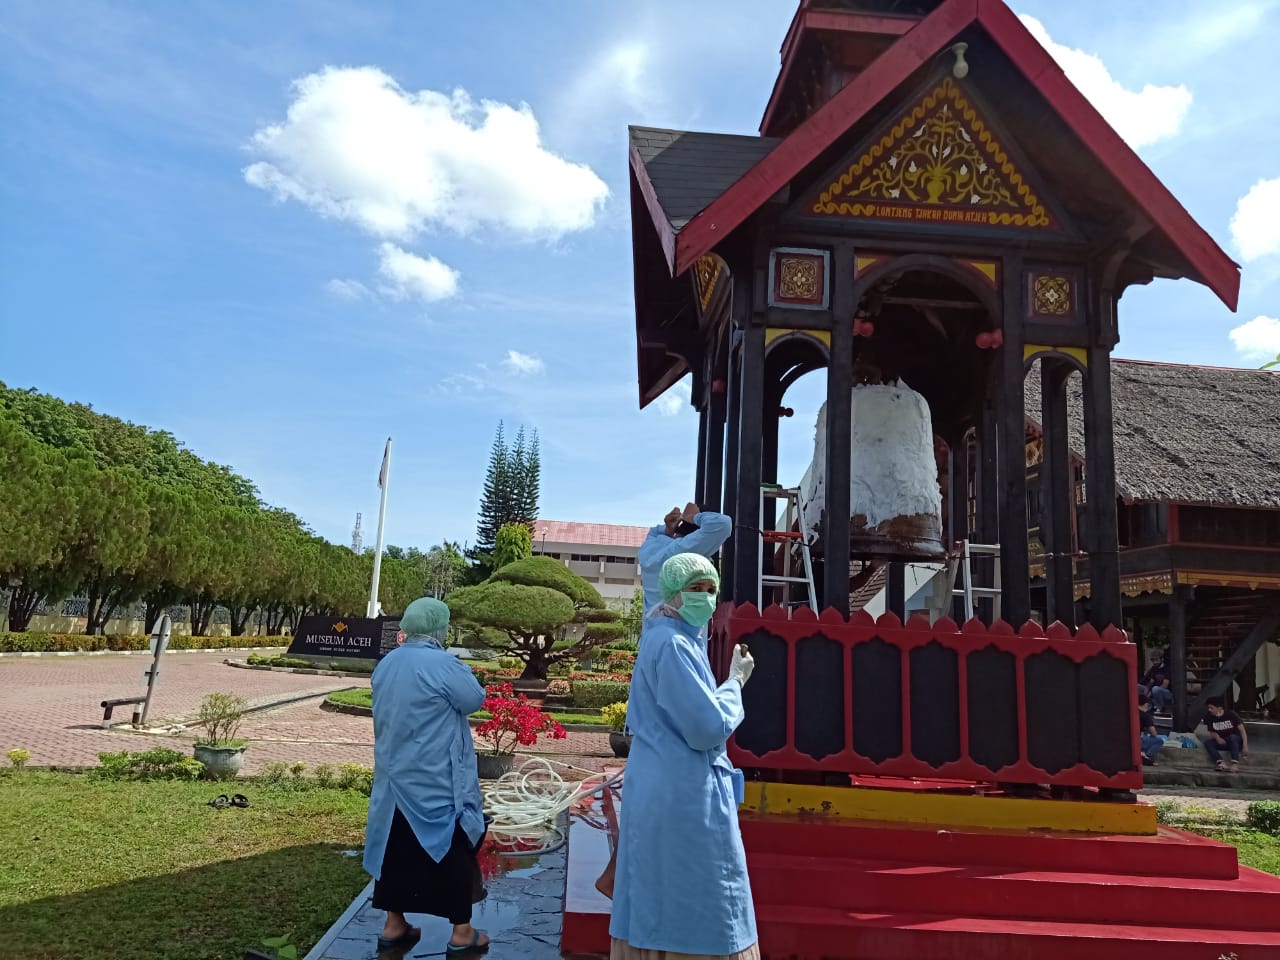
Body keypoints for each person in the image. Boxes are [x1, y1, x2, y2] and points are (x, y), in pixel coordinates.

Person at [610, 553, 760, 960]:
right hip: (684, 791)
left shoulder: (666, 638)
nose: (707, 598)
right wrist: (735, 684)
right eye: (697, 589)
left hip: (660, 782)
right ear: (674, 593)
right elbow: (706, 727)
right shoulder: (674, 645)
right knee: (701, 897)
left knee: (655, 891)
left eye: (712, 589)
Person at [363, 597, 491, 955]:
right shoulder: (443, 664)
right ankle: (462, 933)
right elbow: (474, 699)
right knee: (451, 848)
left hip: (393, 777)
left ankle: (394, 924)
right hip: (434, 778)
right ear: (439, 627)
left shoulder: (387, 663)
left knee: (395, 848)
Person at [637, 503, 732, 615]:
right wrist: (691, 516)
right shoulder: (684, 552)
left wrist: (669, 528)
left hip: (653, 628)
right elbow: (722, 524)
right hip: (678, 628)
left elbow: (653, 532)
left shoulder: (650, 548)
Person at [1202, 697, 1248, 773]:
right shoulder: (1209, 716)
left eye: (1212, 708)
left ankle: (1234, 764)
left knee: (1233, 737)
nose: (1209, 710)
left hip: (1235, 743)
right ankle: (1221, 763)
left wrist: (1245, 746)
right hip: (1223, 742)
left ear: (1219, 708)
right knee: (1208, 743)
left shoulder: (1231, 714)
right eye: (1208, 707)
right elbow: (1211, 731)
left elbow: (1242, 730)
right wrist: (1217, 738)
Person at [1137, 694, 1162, 766]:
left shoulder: (1131, 712)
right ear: (1146, 704)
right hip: (1138, 740)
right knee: (1159, 740)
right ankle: (1147, 756)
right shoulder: (1146, 716)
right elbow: (1153, 733)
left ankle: (1142, 753)